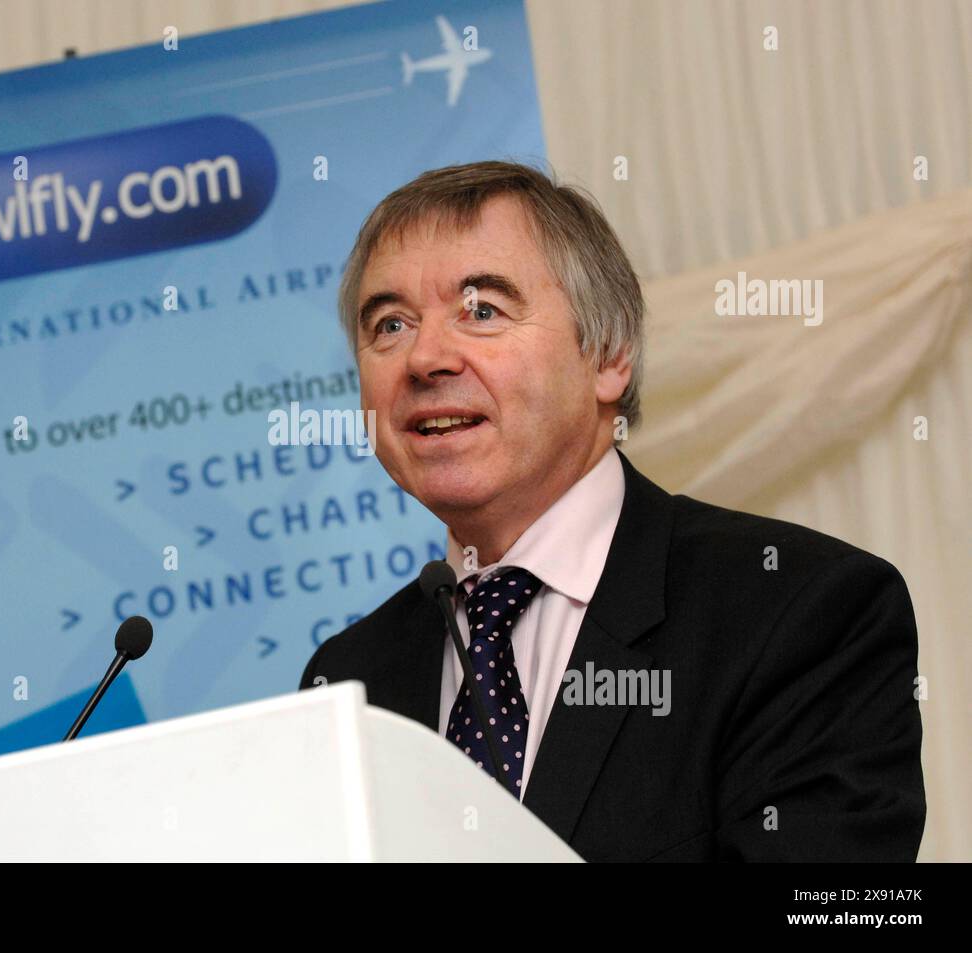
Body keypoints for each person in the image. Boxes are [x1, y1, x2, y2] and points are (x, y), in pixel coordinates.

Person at [298, 161, 925, 862]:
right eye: (389, 324)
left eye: (482, 309)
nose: (425, 358)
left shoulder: (802, 610)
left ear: (609, 356)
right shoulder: (346, 677)